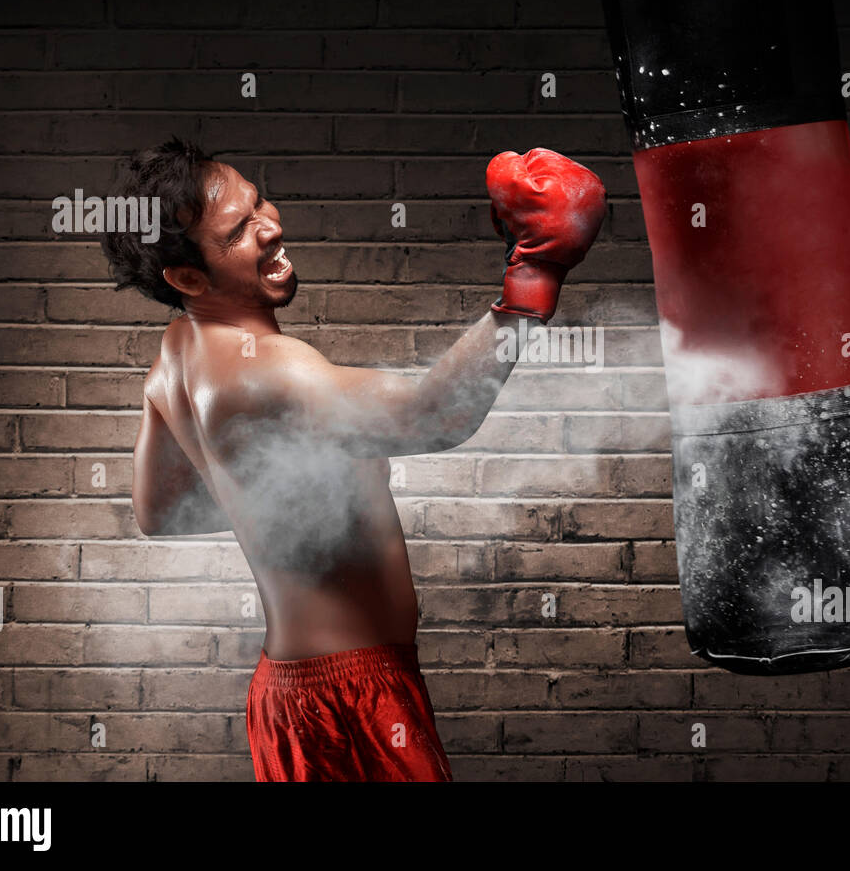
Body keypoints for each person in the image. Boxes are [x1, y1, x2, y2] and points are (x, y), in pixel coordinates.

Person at [100, 138, 605, 781]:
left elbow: (161, 514)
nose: (272, 225)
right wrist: (535, 272)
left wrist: (280, 496)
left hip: (288, 696)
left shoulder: (176, 354)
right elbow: (436, 415)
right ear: (189, 277)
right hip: (351, 699)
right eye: (239, 230)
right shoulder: (272, 373)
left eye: (259, 203)